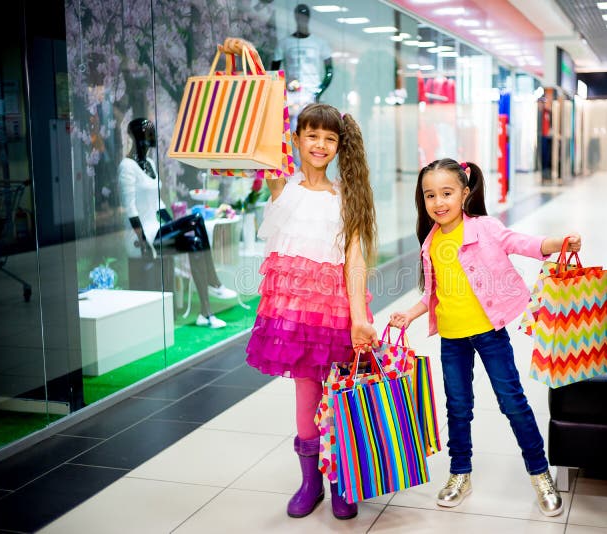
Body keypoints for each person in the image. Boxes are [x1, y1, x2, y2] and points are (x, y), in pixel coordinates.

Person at [388, 158, 581, 516]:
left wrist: (561, 242)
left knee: (513, 403)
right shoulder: (430, 242)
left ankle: (540, 473)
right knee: (458, 409)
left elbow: (525, 243)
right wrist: (411, 315)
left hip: (490, 334)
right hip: (452, 338)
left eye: (446, 193)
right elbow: (435, 293)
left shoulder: (485, 228)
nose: (438, 202)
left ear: (464, 192)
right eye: (430, 195)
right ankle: (460, 473)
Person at [244, 102, 378, 520]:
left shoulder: (347, 196)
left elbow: (354, 262)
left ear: (339, 146)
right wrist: (247, 64)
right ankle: (310, 482)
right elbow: (257, 134)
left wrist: (359, 317)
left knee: (340, 398)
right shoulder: (282, 186)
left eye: (329, 138)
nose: (320, 145)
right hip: (294, 319)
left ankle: (342, 480)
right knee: (306, 396)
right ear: (296, 138)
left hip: (338, 314)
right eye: (312, 135)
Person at [118, 118, 237, 329]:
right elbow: (130, 209)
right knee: (196, 219)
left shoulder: (151, 165)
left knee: (195, 242)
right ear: (139, 137)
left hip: (157, 230)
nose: (155, 135)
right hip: (141, 238)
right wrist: (143, 241)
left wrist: (175, 226)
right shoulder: (127, 167)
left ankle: (206, 314)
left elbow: (159, 203)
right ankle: (214, 283)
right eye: (150, 132)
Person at [272, 3, 334, 118]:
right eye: (299, 16)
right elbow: (274, 72)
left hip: (313, 95)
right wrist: (283, 88)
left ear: (309, 18)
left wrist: (319, 91)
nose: (301, 19)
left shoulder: (320, 43)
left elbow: (329, 71)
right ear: (295, 17)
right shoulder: (284, 44)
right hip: (292, 96)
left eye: (304, 16)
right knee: (292, 129)